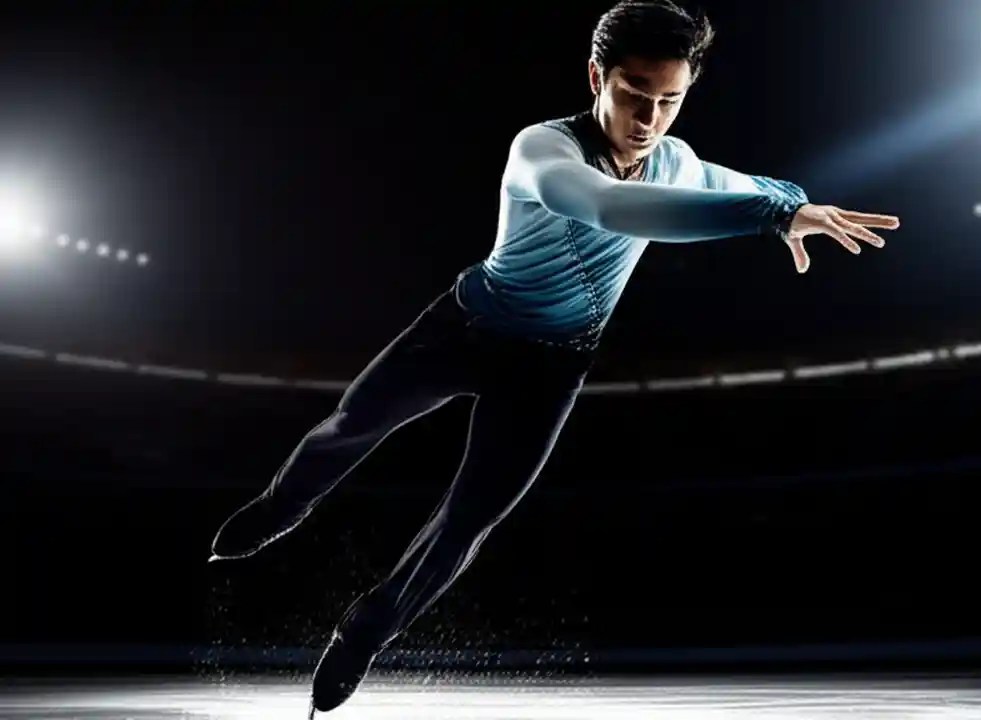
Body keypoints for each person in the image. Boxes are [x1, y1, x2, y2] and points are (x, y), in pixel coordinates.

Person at [208, 0, 900, 714]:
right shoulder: (543, 149)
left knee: (470, 520)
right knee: (351, 425)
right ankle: (282, 505)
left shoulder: (675, 161)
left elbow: (740, 184)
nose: (649, 118)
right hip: (464, 328)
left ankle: (364, 634)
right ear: (596, 75)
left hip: (551, 367)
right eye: (634, 94)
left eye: (669, 100)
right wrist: (773, 214)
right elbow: (607, 208)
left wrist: (792, 202)